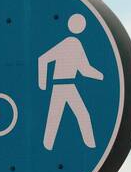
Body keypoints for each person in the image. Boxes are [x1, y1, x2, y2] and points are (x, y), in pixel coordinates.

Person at [37, 13, 103, 150]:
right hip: (62, 86)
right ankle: (89, 145)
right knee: (76, 115)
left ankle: (49, 146)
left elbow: (84, 69)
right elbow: (42, 59)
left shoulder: (74, 43)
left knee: (69, 116)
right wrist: (42, 83)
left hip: (66, 85)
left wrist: (100, 76)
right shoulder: (70, 43)